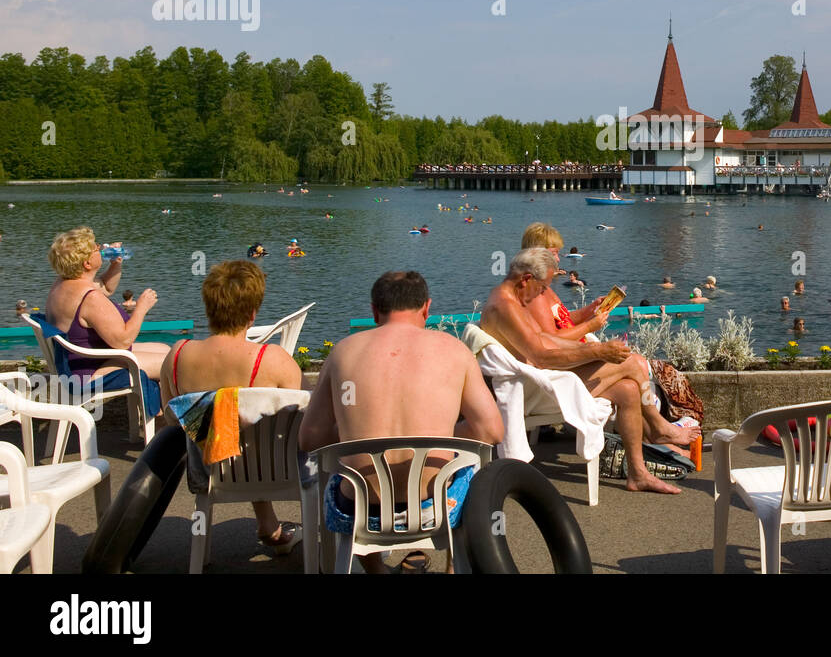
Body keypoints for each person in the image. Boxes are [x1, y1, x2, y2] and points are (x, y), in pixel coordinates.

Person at [299, 271, 503, 573]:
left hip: (358, 510)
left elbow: (309, 440)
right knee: (468, 463)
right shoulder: (454, 351)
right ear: (426, 308)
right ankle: (453, 564)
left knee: (339, 469)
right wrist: (447, 436)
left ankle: (373, 569)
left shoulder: (343, 352)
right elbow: (491, 431)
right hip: (435, 506)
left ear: (374, 310)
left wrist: (353, 432)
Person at [480, 249, 696, 495]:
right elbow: (541, 355)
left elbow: (544, 339)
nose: (542, 293)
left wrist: (593, 347)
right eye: (542, 287)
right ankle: (658, 426)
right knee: (633, 364)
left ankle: (638, 474)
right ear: (527, 279)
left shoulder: (510, 299)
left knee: (628, 390)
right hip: (536, 389)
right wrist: (598, 352)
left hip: (539, 380)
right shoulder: (505, 307)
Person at [159, 262, 303, 556]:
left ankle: (268, 524)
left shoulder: (177, 356)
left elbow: (170, 420)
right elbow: (298, 428)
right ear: (253, 313)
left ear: (208, 307)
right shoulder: (273, 360)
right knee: (258, 437)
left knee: (232, 432)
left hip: (209, 469)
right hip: (274, 470)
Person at [44, 227, 169, 383]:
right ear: (87, 263)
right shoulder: (90, 298)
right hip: (89, 373)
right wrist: (141, 308)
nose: (100, 247)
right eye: (95, 247)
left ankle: (155, 406)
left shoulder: (64, 283)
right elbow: (123, 341)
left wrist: (115, 264)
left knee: (166, 350)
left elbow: (106, 287)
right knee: (173, 363)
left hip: (78, 362)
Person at [519, 223, 610, 340]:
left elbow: (565, 320)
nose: (558, 259)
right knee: (635, 359)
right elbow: (552, 340)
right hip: (567, 354)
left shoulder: (544, 288)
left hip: (575, 350)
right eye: (553, 253)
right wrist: (589, 326)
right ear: (535, 255)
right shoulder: (532, 294)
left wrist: (592, 308)